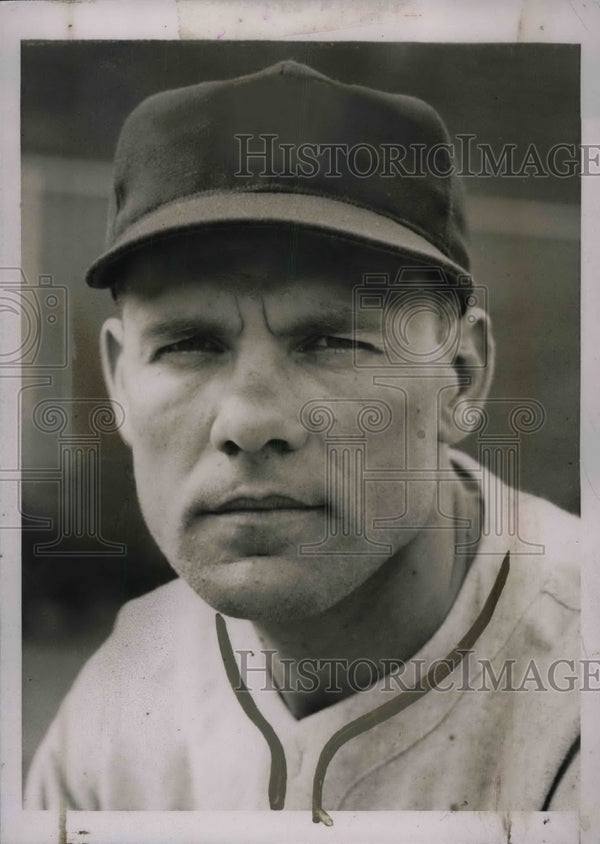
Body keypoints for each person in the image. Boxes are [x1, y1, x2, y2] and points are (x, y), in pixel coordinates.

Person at [25, 60, 579, 822]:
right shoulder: (126, 688)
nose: (249, 422)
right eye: (189, 343)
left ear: (462, 375)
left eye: (330, 340)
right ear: (121, 382)